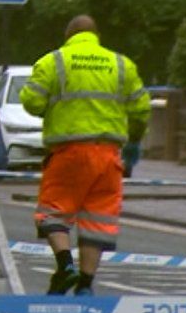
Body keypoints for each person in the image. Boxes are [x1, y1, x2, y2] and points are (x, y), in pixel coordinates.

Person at [20, 15, 150, 296]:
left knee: (52, 212)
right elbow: (142, 108)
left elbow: (31, 101)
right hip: (109, 156)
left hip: (69, 152)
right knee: (98, 220)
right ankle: (86, 285)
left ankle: (65, 266)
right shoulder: (120, 65)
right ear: (96, 35)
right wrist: (133, 144)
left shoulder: (55, 61)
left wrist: (51, 110)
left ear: (69, 35)